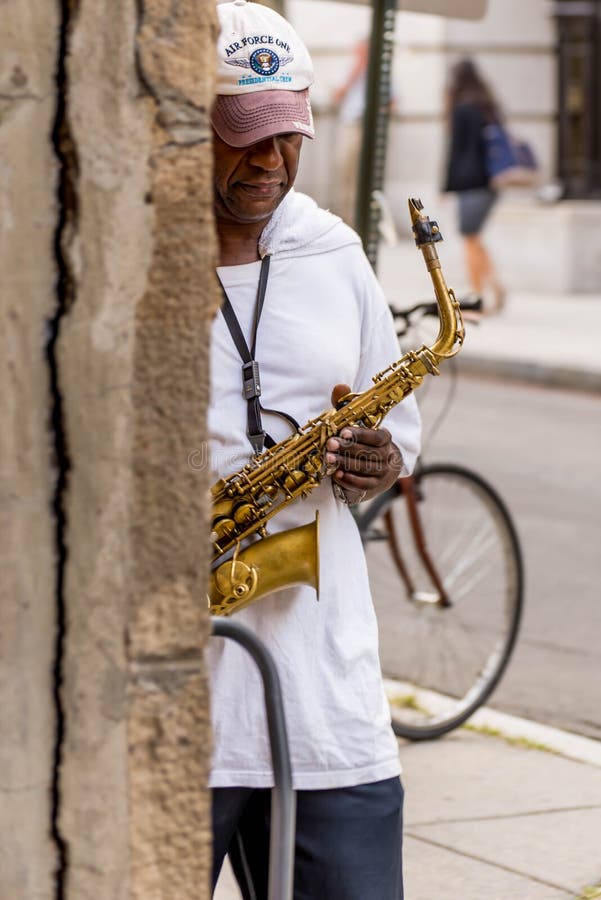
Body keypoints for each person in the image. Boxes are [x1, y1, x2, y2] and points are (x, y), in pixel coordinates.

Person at [208, 3, 421, 898]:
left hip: (325, 702)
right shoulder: (118, 257)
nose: (268, 162)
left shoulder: (333, 252)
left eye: (286, 135)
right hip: (174, 707)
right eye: (241, 137)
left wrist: (383, 459)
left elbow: (395, 429)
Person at [443, 57, 506, 312]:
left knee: (469, 238)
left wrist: (445, 186)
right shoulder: (487, 106)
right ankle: (494, 285)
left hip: (469, 183)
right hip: (490, 183)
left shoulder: (461, 109)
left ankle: (478, 295)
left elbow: (456, 151)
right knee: (474, 237)